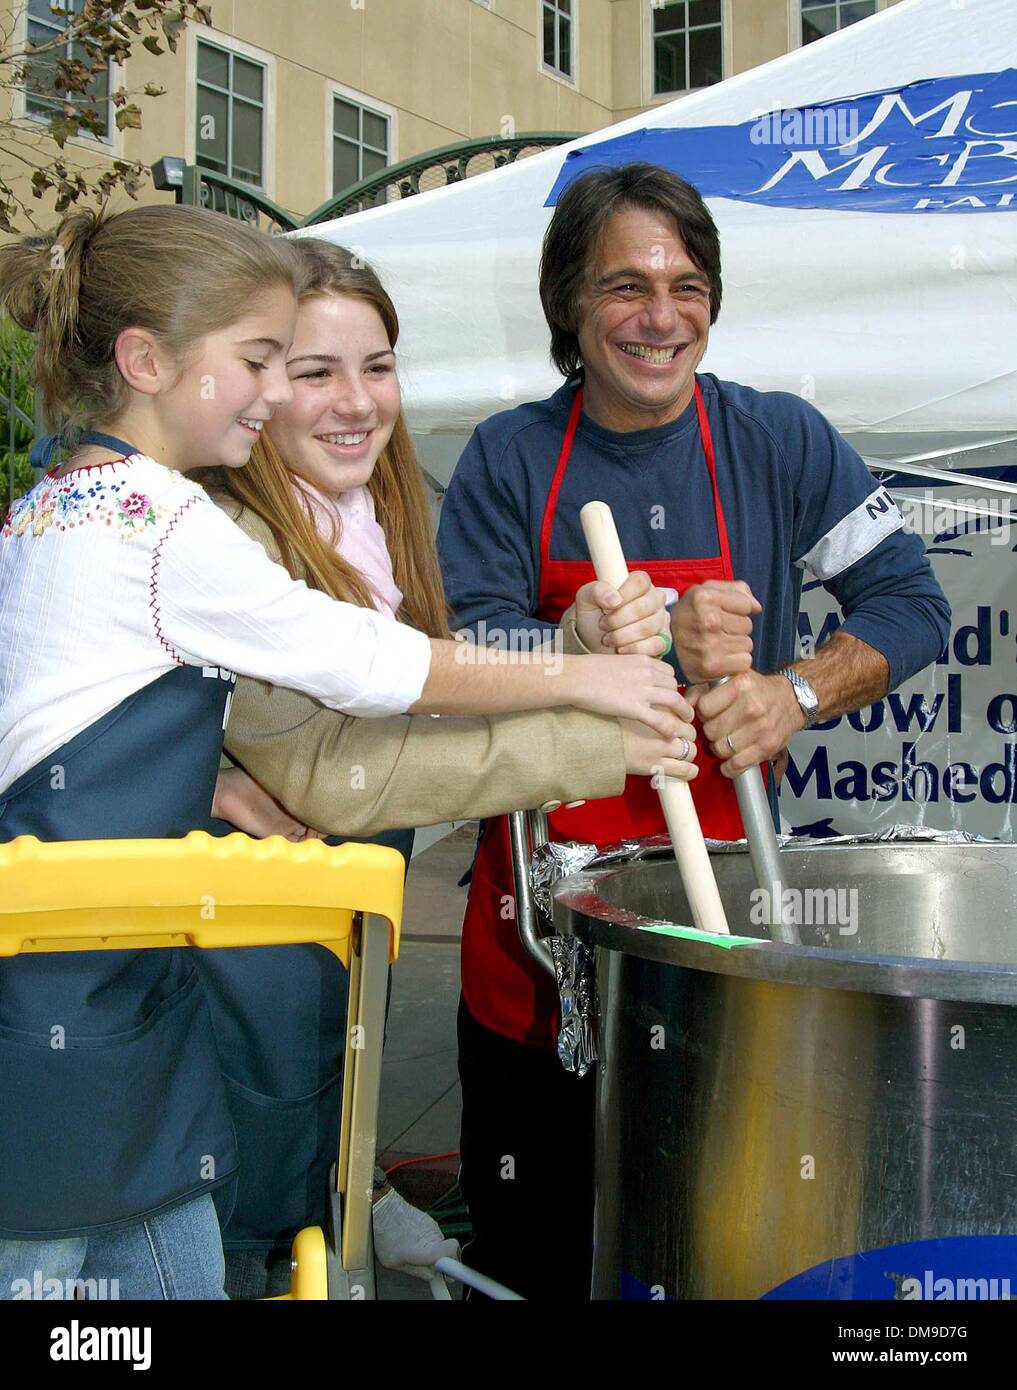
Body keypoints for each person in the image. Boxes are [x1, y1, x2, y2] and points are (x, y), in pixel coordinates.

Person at [0, 203, 692, 1300]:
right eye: (270, 362)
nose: (288, 393)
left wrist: (565, 649)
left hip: (120, 1001)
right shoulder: (170, 522)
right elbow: (379, 673)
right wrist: (589, 698)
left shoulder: (56, 509)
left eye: (366, 365)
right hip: (79, 1012)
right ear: (146, 360)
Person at [437, 161, 952, 1300]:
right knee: (538, 1257)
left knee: (719, 1252)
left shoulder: (780, 441)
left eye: (686, 284)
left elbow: (913, 605)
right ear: (569, 304)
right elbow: (457, 674)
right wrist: (568, 639)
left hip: (722, 941)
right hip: (539, 960)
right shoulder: (507, 460)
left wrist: (793, 694)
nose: (660, 316)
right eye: (624, 286)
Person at [192, 236, 699, 1296]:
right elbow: (338, 772)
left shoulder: (369, 520)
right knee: (242, 1238)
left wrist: (572, 642)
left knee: (308, 1201)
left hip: (326, 959)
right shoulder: (234, 538)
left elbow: (427, 683)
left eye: (376, 366)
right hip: (228, 977)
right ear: (252, 388)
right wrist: (601, 737)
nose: (356, 401)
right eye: (312, 371)